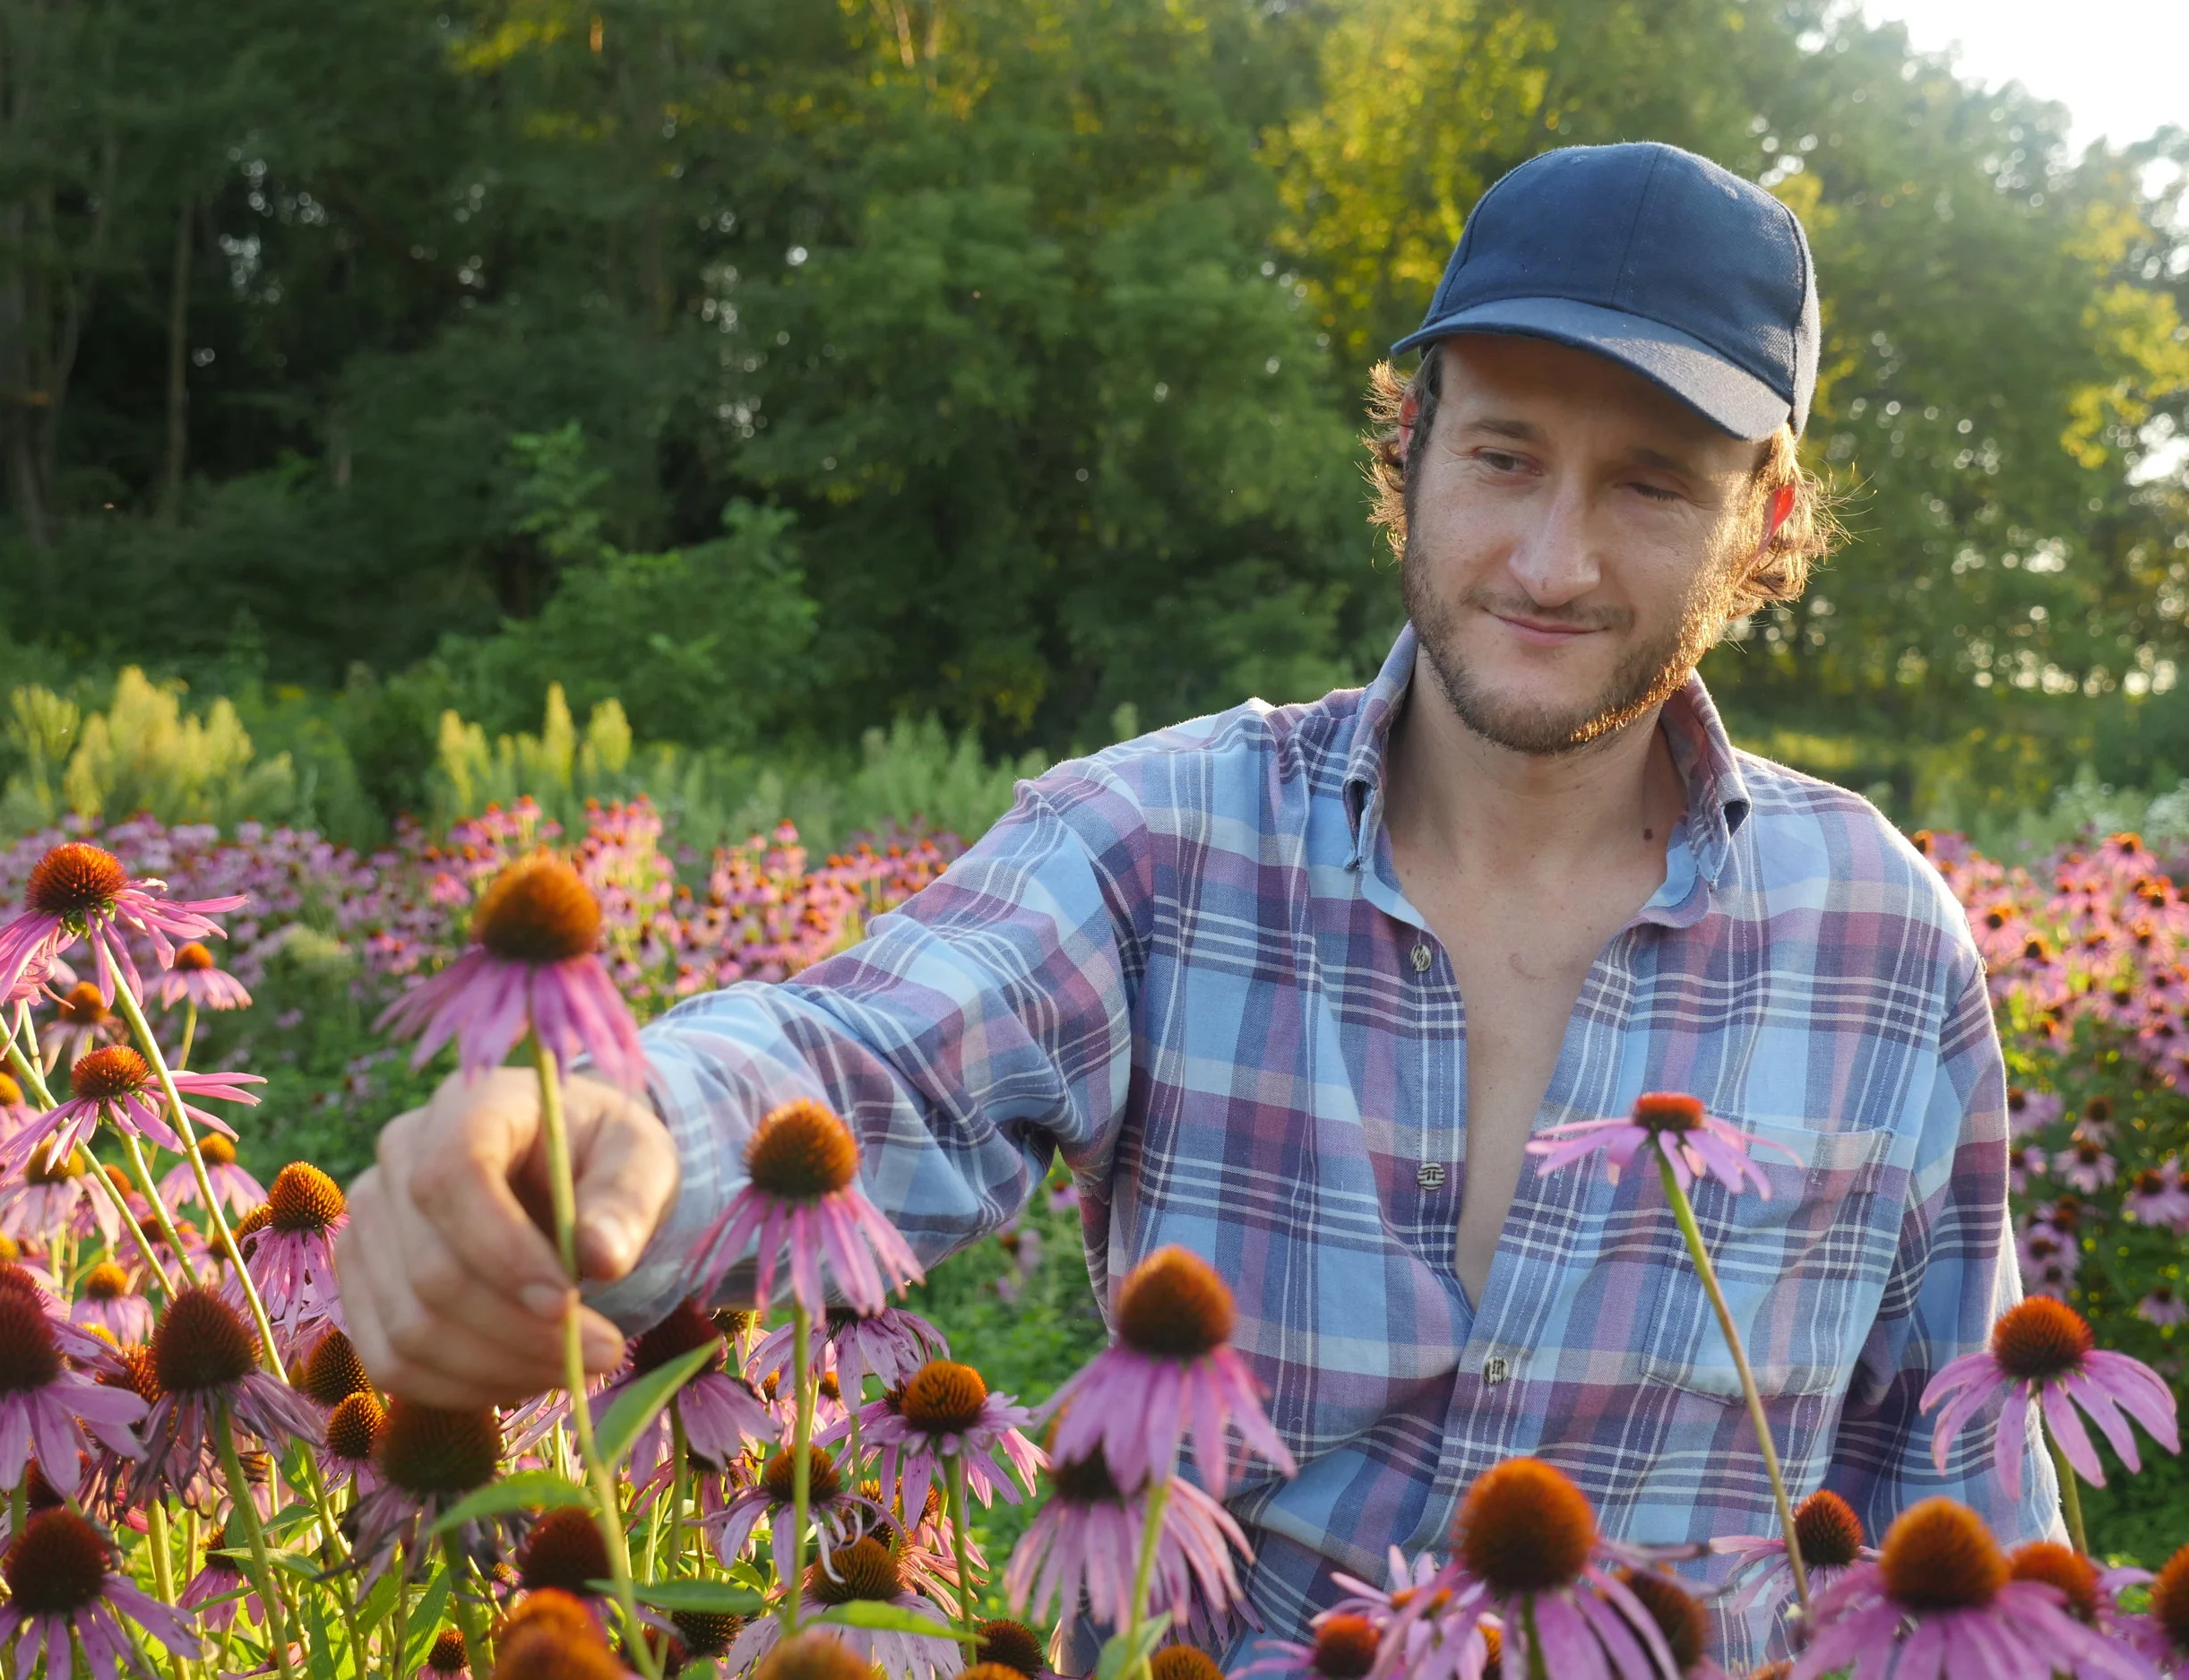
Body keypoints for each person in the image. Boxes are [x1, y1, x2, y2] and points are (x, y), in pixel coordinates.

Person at [338, 142, 2057, 1668]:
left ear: (1764, 520)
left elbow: (1958, 1477)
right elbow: (865, 1056)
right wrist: (598, 1147)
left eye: (1651, 484)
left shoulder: (1882, 947)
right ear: (1414, 446)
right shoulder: (1167, 840)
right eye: (1508, 456)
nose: (1552, 559)